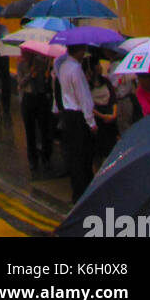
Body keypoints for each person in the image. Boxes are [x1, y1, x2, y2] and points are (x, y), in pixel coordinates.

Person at [53, 44, 96, 201]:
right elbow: (83, 97)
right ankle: (85, 193)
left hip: (68, 116)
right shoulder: (76, 69)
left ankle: (77, 192)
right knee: (84, 156)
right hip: (79, 117)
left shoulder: (62, 65)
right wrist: (91, 122)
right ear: (79, 50)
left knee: (74, 157)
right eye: (83, 50)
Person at [16, 50, 53, 174]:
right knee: (30, 131)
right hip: (28, 98)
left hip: (41, 97)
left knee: (44, 129)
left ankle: (46, 157)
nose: (24, 56)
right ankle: (33, 159)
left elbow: (45, 82)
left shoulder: (41, 63)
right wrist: (30, 75)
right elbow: (20, 84)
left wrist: (43, 74)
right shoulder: (21, 66)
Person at [87, 57, 118, 166]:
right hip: (98, 119)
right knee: (97, 151)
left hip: (109, 118)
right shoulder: (87, 85)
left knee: (110, 148)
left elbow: (113, 99)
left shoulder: (106, 81)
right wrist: (102, 116)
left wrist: (113, 114)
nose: (100, 67)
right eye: (97, 65)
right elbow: (88, 105)